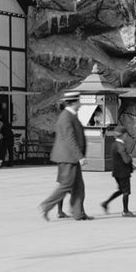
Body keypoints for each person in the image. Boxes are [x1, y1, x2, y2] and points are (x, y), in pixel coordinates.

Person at [39, 91, 91, 221]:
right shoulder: (66, 117)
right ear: (74, 102)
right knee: (66, 185)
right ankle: (46, 205)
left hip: (69, 157)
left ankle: (78, 213)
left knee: (78, 186)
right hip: (68, 157)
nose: (80, 104)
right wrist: (80, 156)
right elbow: (70, 139)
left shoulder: (70, 115)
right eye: (79, 101)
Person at [100, 125, 136, 217]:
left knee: (121, 190)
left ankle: (106, 203)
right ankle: (125, 211)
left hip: (116, 172)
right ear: (124, 135)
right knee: (126, 192)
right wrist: (130, 157)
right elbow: (126, 160)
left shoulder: (114, 144)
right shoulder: (121, 146)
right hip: (123, 172)